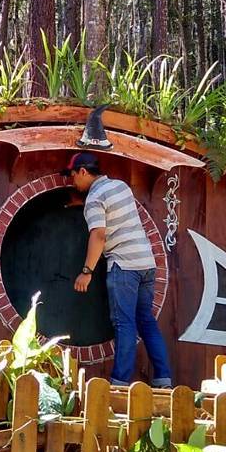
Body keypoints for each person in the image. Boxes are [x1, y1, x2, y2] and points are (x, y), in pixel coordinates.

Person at [63, 151, 173, 387]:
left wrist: (87, 272)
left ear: (83, 171)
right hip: (146, 264)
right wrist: (82, 204)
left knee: (124, 324)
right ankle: (163, 379)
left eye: (73, 175)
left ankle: (120, 382)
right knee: (146, 322)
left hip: (124, 266)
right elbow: (114, 211)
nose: (72, 181)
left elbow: (99, 235)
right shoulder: (121, 187)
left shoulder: (94, 200)